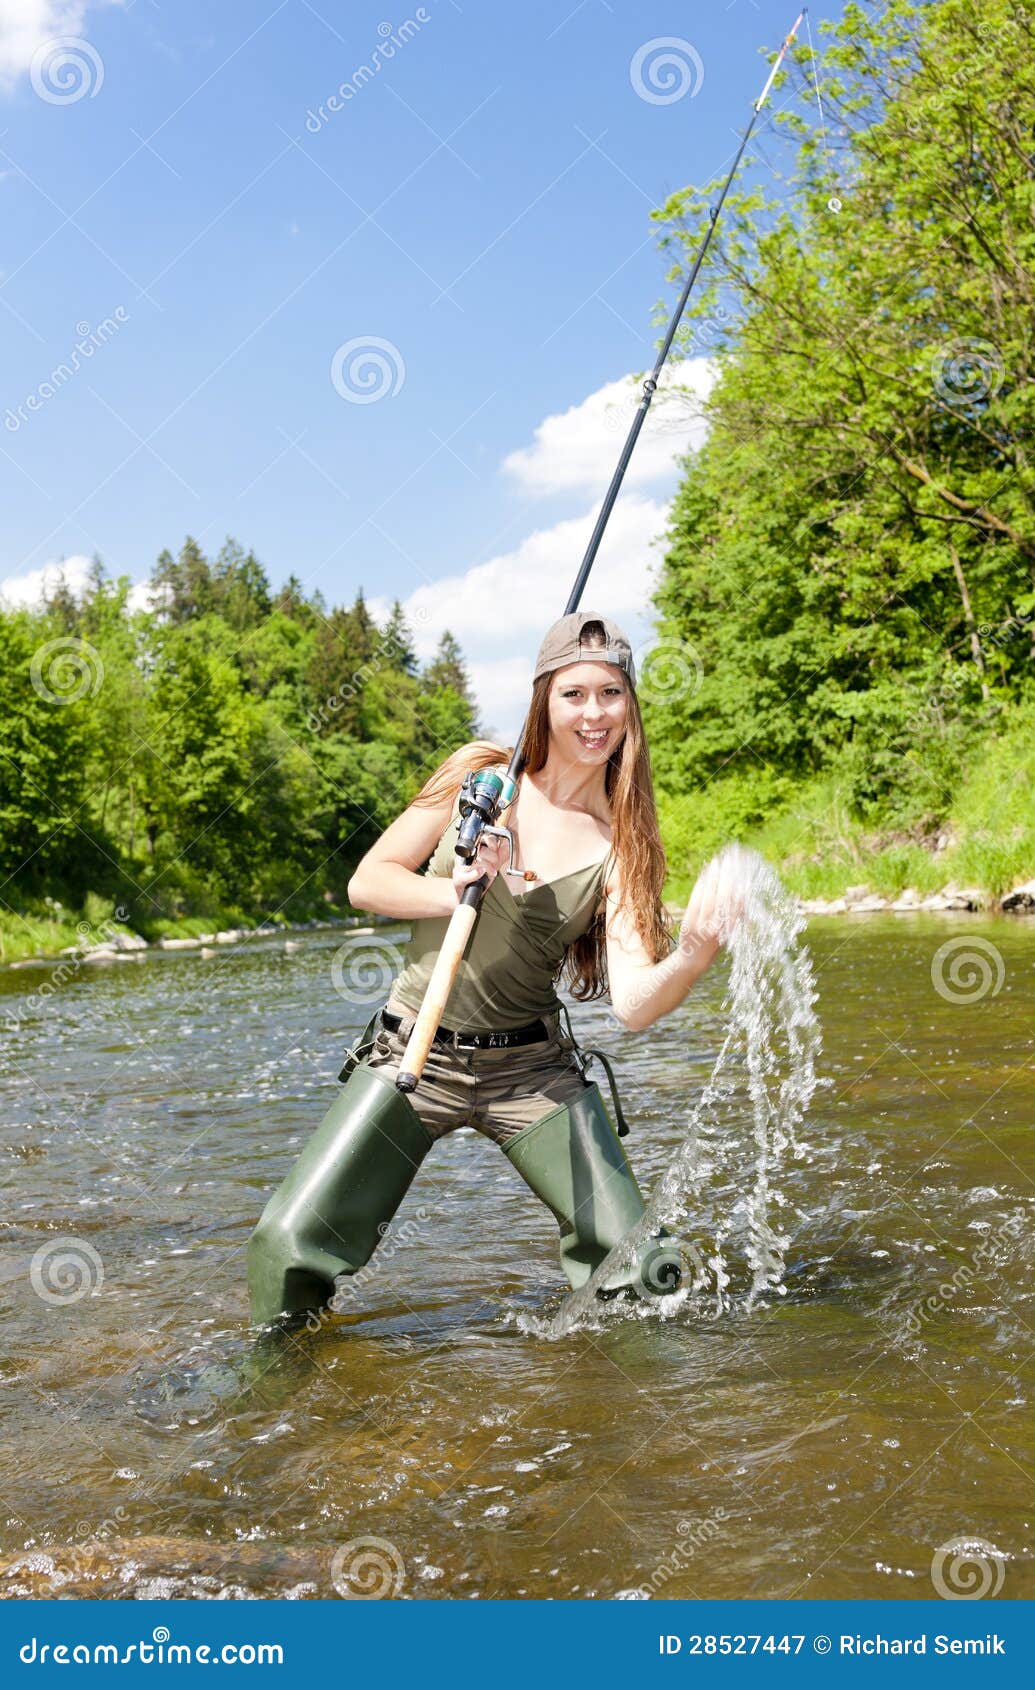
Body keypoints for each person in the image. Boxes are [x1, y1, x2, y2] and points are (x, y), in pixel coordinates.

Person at [247, 612, 737, 1327]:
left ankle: (628, 1391)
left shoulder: (623, 845)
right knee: (287, 1244)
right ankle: (278, 1374)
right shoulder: (476, 776)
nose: (593, 713)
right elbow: (368, 882)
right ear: (543, 698)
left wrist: (693, 954)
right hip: (414, 1054)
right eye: (573, 694)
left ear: (631, 706)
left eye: (611, 693)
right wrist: (456, 889)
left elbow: (633, 1004)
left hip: (531, 1071)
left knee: (644, 1269)